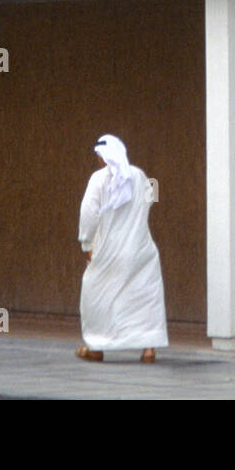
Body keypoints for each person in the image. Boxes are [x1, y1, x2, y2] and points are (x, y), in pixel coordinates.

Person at [75, 134, 169, 363]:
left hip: (109, 251)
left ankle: (96, 346)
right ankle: (148, 349)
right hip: (141, 249)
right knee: (144, 296)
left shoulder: (98, 179)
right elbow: (148, 202)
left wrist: (86, 243)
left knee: (95, 294)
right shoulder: (139, 175)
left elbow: (88, 213)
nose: (98, 160)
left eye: (99, 156)